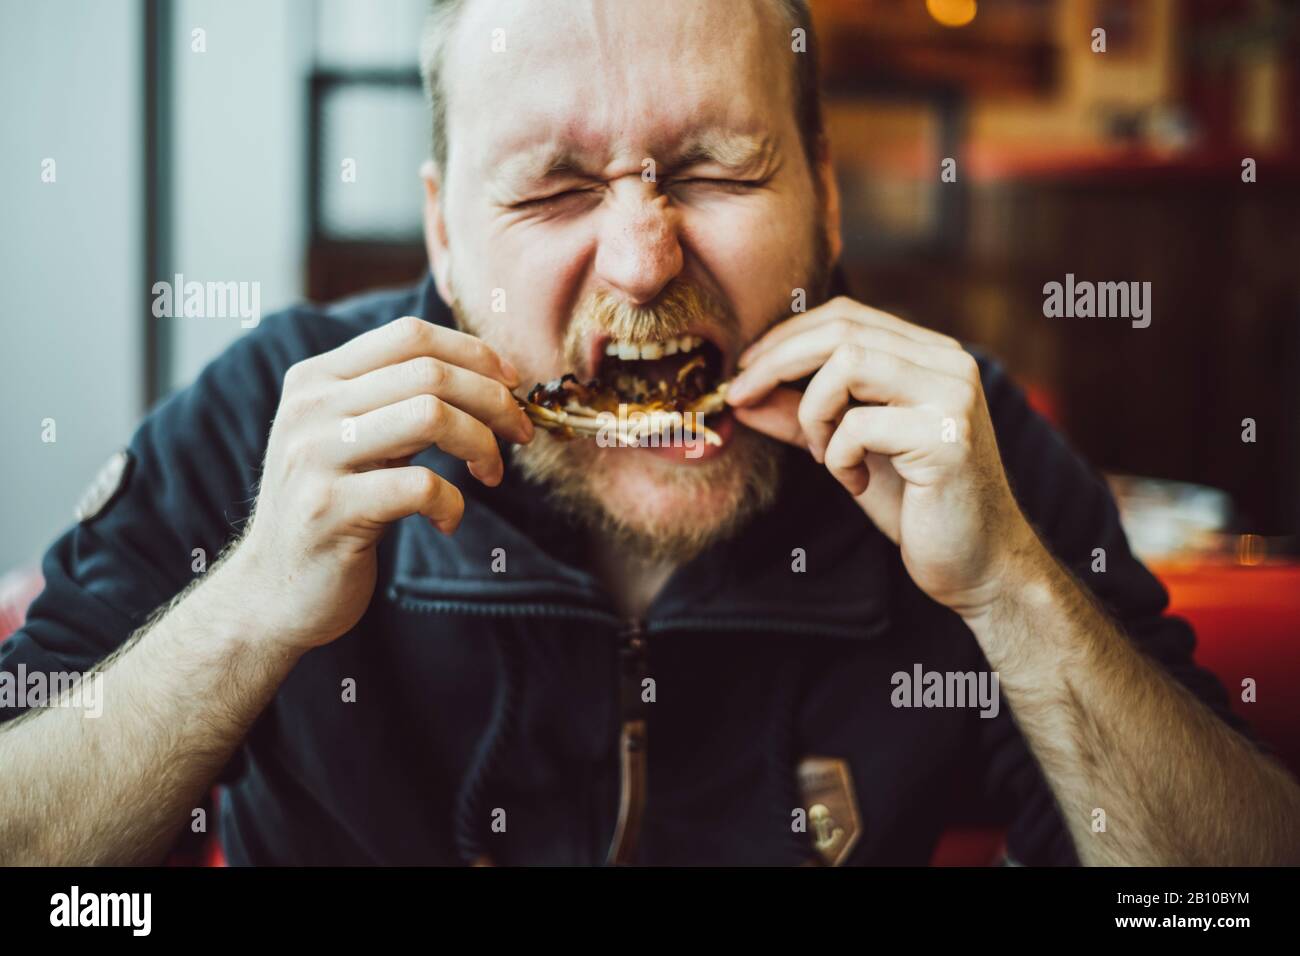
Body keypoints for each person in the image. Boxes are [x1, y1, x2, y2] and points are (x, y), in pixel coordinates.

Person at [2, 0, 1297, 866]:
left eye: (717, 170)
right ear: (447, 232)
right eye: (558, 187)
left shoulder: (963, 445)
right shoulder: (264, 425)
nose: (639, 258)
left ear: (826, 199)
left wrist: (1011, 588)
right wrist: (246, 615)